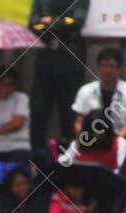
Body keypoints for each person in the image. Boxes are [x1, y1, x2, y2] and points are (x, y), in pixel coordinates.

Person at [27, 0, 87, 150]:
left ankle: (68, 156)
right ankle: (38, 156)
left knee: (68, 114)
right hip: (45, 61)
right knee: (38, 112)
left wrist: (49, 22)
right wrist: (58, 24)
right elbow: (33, 24)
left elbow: (76, 22)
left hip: (70, 62)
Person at [72, 48, 126, 169]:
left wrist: (116, 143)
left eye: (112, 66)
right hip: (90, 141)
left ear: (119, 69)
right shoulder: (86, 90)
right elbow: (79, 122)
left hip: (120, 141)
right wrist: (86, 138)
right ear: (98, 68)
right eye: (104, 66)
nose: (108, 70)